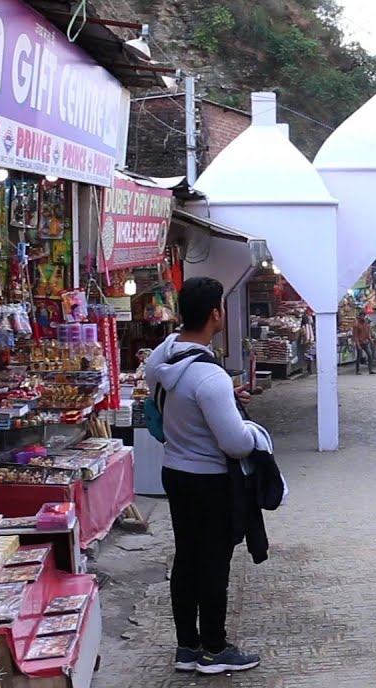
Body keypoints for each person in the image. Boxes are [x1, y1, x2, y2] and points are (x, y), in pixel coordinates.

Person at [145, 277, 261, 674]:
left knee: (187, 559)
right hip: (210, 480)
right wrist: (253, 431)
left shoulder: (163, 359)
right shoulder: (209, 377)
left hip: (174, 471)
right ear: (215, 314)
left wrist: (228, 397)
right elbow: (236, 444)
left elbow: (183, 400)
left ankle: (187, 647)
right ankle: (214, 647)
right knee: (213, 563)